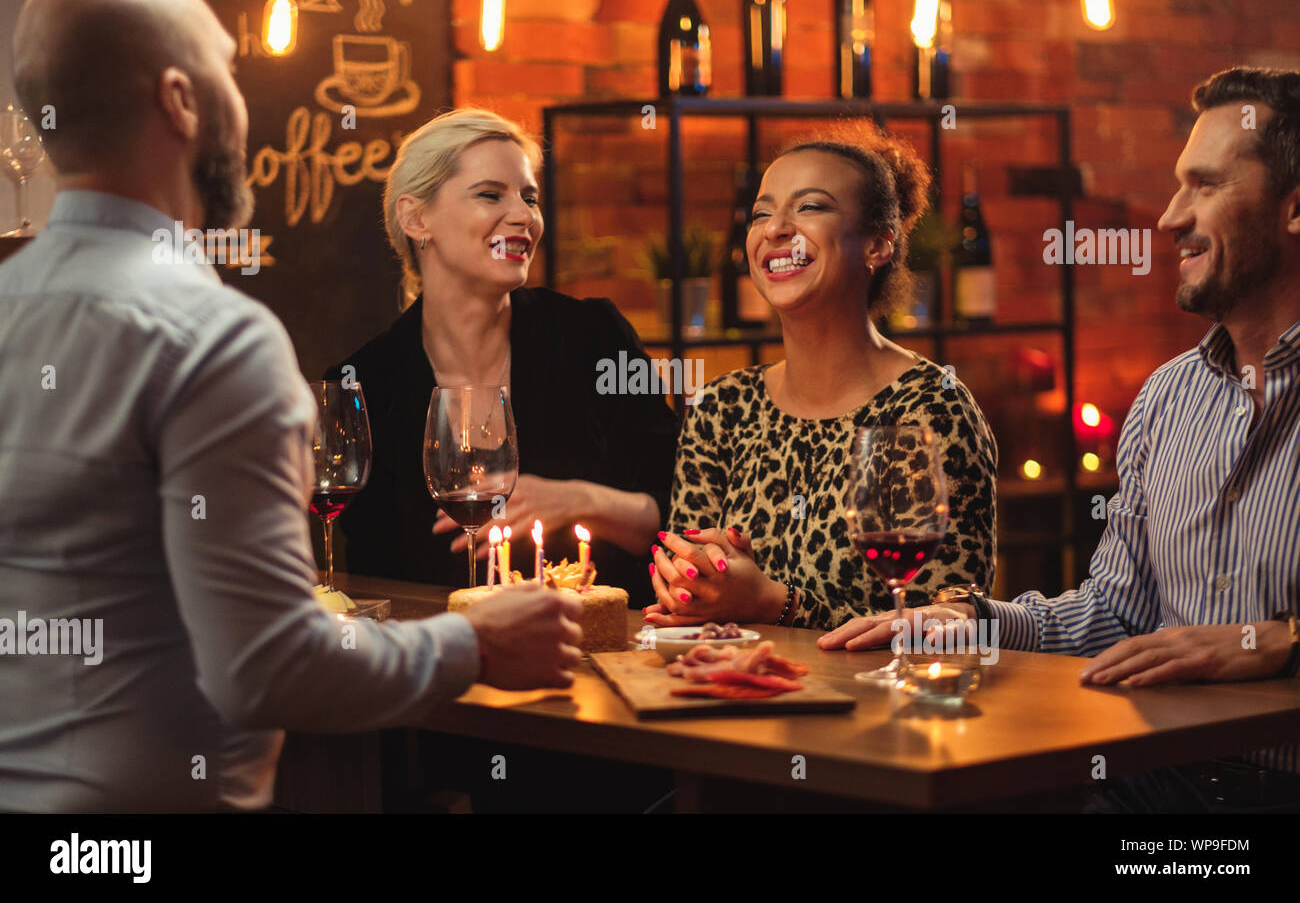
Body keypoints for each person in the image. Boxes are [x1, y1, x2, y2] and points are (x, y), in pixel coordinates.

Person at [0, 0, 584, 813]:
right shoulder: (212, 339)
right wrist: (473, 643)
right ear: (179, 100)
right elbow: (270, 669)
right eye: (227, 76)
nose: (240, 109)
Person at [820, 67, 1300, 812]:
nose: (1171, 217)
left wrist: (1280, 641)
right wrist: (975, 619)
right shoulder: (1167, 400)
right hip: (1154, 788)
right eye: (1178, 186)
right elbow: (1115, 613)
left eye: (1205, 186)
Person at [646, 123, 998, 631]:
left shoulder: (930, 408)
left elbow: (942, 626)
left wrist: (775, 603)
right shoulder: (721, 409)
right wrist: (689, 586)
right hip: (733, 696)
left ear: (878, 245)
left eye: (809, 207)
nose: (775, 229)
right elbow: (690, 582)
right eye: (761, 213)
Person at [326, 108, 678, 608]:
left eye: (529, 197)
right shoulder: (365, 383)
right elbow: (370, 576)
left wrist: (578, 500)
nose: (524, 216)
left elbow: (681, 514)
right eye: (491, 194)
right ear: (416, 217)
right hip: (441, 663)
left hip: (607, 654)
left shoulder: (596, 338)